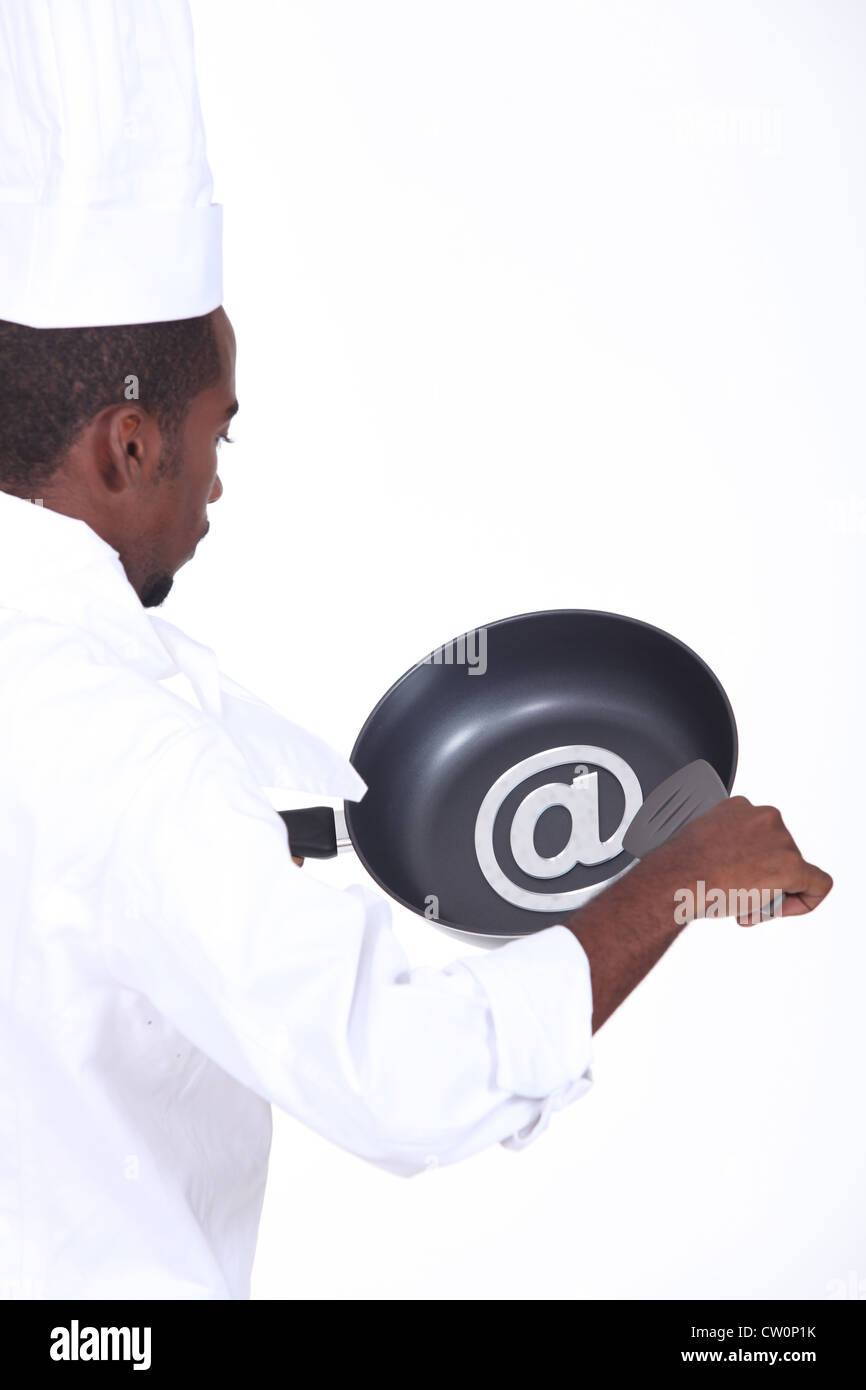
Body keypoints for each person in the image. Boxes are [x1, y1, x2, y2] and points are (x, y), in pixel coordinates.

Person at [0, 4, 832, 1301]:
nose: (220, 479)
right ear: (127, 446)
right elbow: (402, 1076)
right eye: (220, 428)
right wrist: (675, 878)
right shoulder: (127, 751)